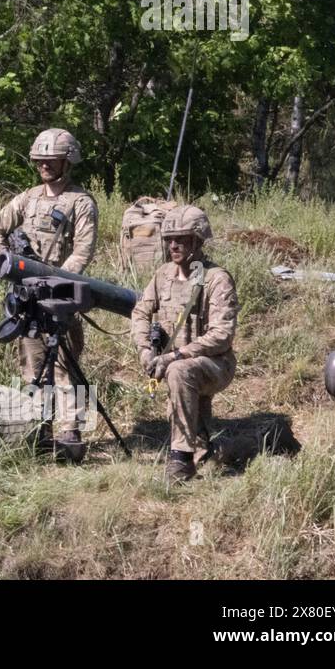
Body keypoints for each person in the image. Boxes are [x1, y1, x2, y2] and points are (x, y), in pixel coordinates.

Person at [0, 128, 98, 459]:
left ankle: (71, 433)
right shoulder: (27, 198)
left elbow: (83, 249)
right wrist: (6, 264)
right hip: (28, 297)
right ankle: (39, 430)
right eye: (41, 160)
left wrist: (58, 279)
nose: (45, 165)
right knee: (33, 366)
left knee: (66, 364)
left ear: (67, 161)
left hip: (61, 295)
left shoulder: (80, 202)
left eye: (52, 160)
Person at [130, 204, 239, 483]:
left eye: (182, 239)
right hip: (176, 362)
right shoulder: (162, 275)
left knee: (180, 372)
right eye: (170, 239)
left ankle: (180, 461)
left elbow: (222, 334)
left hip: (216, 364)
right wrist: (144, 349)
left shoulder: (216, 279)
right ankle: (227, 449)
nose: (174, 245)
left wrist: (176, 356)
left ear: (198, 241)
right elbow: (141, 312)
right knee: (206, 449)